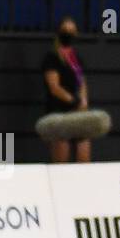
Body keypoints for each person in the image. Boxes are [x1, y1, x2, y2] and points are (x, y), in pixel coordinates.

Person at [41, 17, 94, 163]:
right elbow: (54, 87)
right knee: (61, 156)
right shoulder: (52, 57)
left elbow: (82, 82)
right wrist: (73, 100)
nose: (69, 33)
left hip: (77, 111)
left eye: (72, 30)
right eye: (66, 30)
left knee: (84, 151)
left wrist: (83, 101)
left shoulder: (76, 58)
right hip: (59, 110)